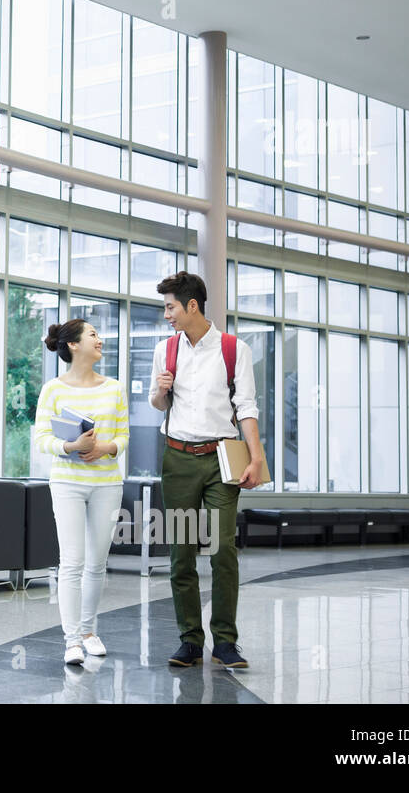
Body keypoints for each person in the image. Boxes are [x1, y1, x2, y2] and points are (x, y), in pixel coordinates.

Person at [148, 272, 267, 669]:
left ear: (192, 306)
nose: (167, 315)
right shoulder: (165, 349)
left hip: (221, 460)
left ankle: (226, 642)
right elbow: (158, 405)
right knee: (181, 554)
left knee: (222, 550)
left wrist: (256, 458)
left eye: (170, 307)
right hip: (178, 459)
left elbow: (246, 407)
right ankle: (190, 641)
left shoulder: (234, 349)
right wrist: (162, 390)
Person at [33, 319, 129, 666]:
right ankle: (72, 640)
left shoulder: (115, 388)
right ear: (74, 345)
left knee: (97, 563)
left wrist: (106, 448)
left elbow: (123, 437)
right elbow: (42, 438)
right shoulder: (53, 389)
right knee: (72, 562)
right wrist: (70, 445)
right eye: (93, 335)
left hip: (106, 483)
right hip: (67, 482)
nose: (99, 340)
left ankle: (89, 631)